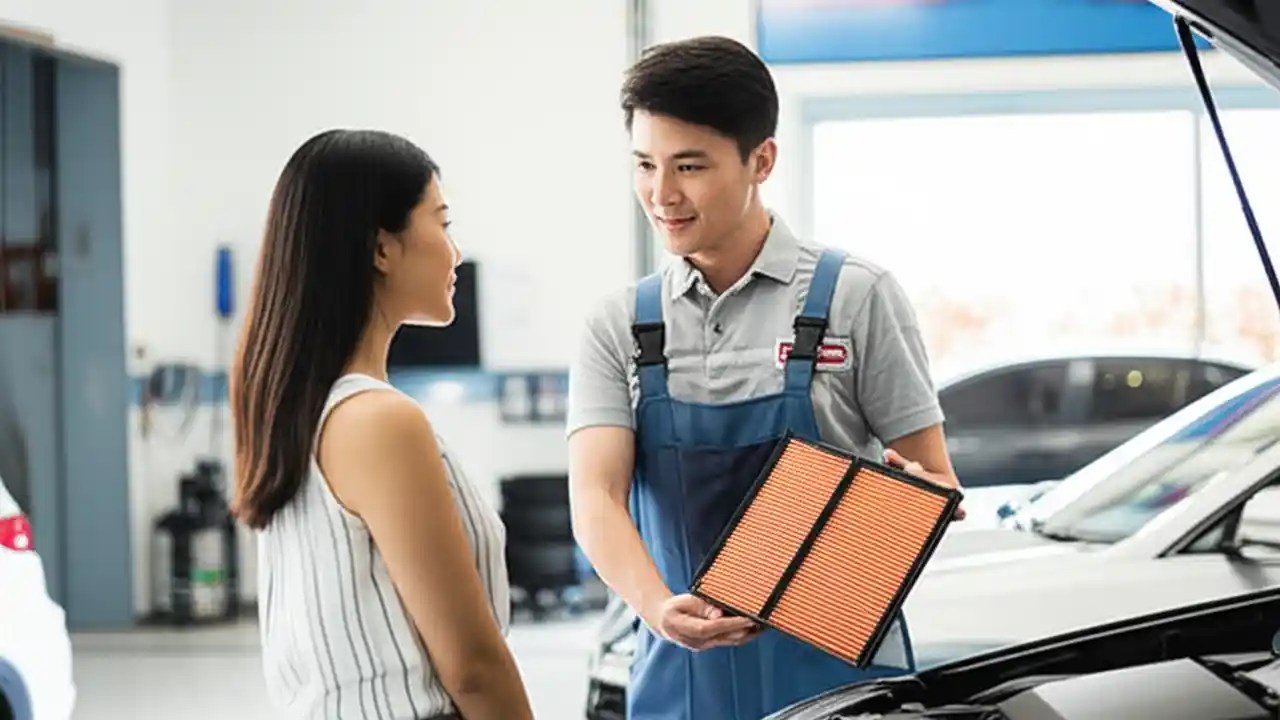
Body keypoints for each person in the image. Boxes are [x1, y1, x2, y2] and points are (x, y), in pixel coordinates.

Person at [566, 36, 966, 719]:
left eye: (689, 166)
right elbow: (596, 497)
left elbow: (939, 481)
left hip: (845, 690)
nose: (661, 194)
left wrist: (915, 504)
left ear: (762, 160)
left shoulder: (856, 298)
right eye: (644, 165)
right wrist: (659, 608)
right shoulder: (619, 326)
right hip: (681, 684)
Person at [229, 129, 534, 720]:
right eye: (441, 224)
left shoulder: (300, 408)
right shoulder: (378, 422)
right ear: (381, 249)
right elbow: (472, 665)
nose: (456, 251)